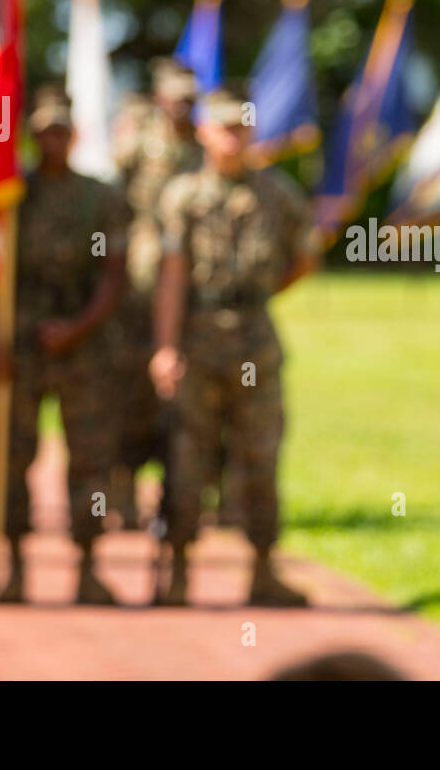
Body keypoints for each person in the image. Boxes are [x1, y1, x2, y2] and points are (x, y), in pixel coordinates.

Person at [150, 89, 318, 606]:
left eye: (241, 129)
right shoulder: (182, 195)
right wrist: (166, 347)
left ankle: (262, 569)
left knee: (260, 456)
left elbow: (304, 257)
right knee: (186, 458)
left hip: (255, 342)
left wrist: (259, 293)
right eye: (223, 129)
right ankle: (177, 571)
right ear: (203, 133)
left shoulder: (278, 194)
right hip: (198, 340)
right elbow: (172, 275)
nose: (233, 139)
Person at [0, 93, 130, 604]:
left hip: (86, 348)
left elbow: (112, 275)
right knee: (11, 456)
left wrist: (78, 327)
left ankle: (89, 566)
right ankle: (12, 563)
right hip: (24, 345)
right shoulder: (11, 196)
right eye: (43, 131)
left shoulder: (100, 198)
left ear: (73, 135)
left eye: (61, 131)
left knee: (91, 462)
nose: (52, 141)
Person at [111, 61, 202, 531]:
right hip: (137, 286)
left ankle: (190, 496)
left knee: (187, 400)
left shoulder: (203, 148)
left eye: (190, 98)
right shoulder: (137, 140)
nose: (183, 107)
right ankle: (123, 488)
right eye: (175, 98)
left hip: (188, 288)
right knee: (130, 391)